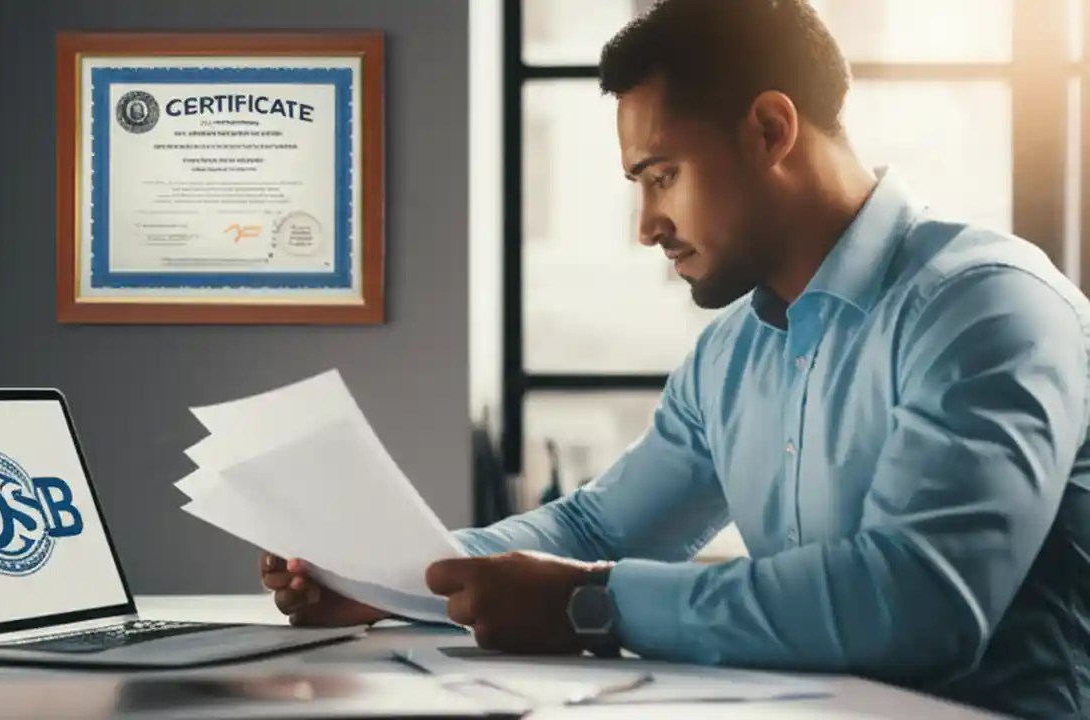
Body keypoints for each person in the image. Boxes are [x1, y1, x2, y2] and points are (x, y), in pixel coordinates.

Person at [260, 0, 1090, 716]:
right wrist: (389, 579)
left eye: (661, 176)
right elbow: (597, 525)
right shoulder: (731, 356)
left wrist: (591, 602)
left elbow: (918, 601)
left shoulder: (984, 304)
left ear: (770, 129)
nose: (645, 225)